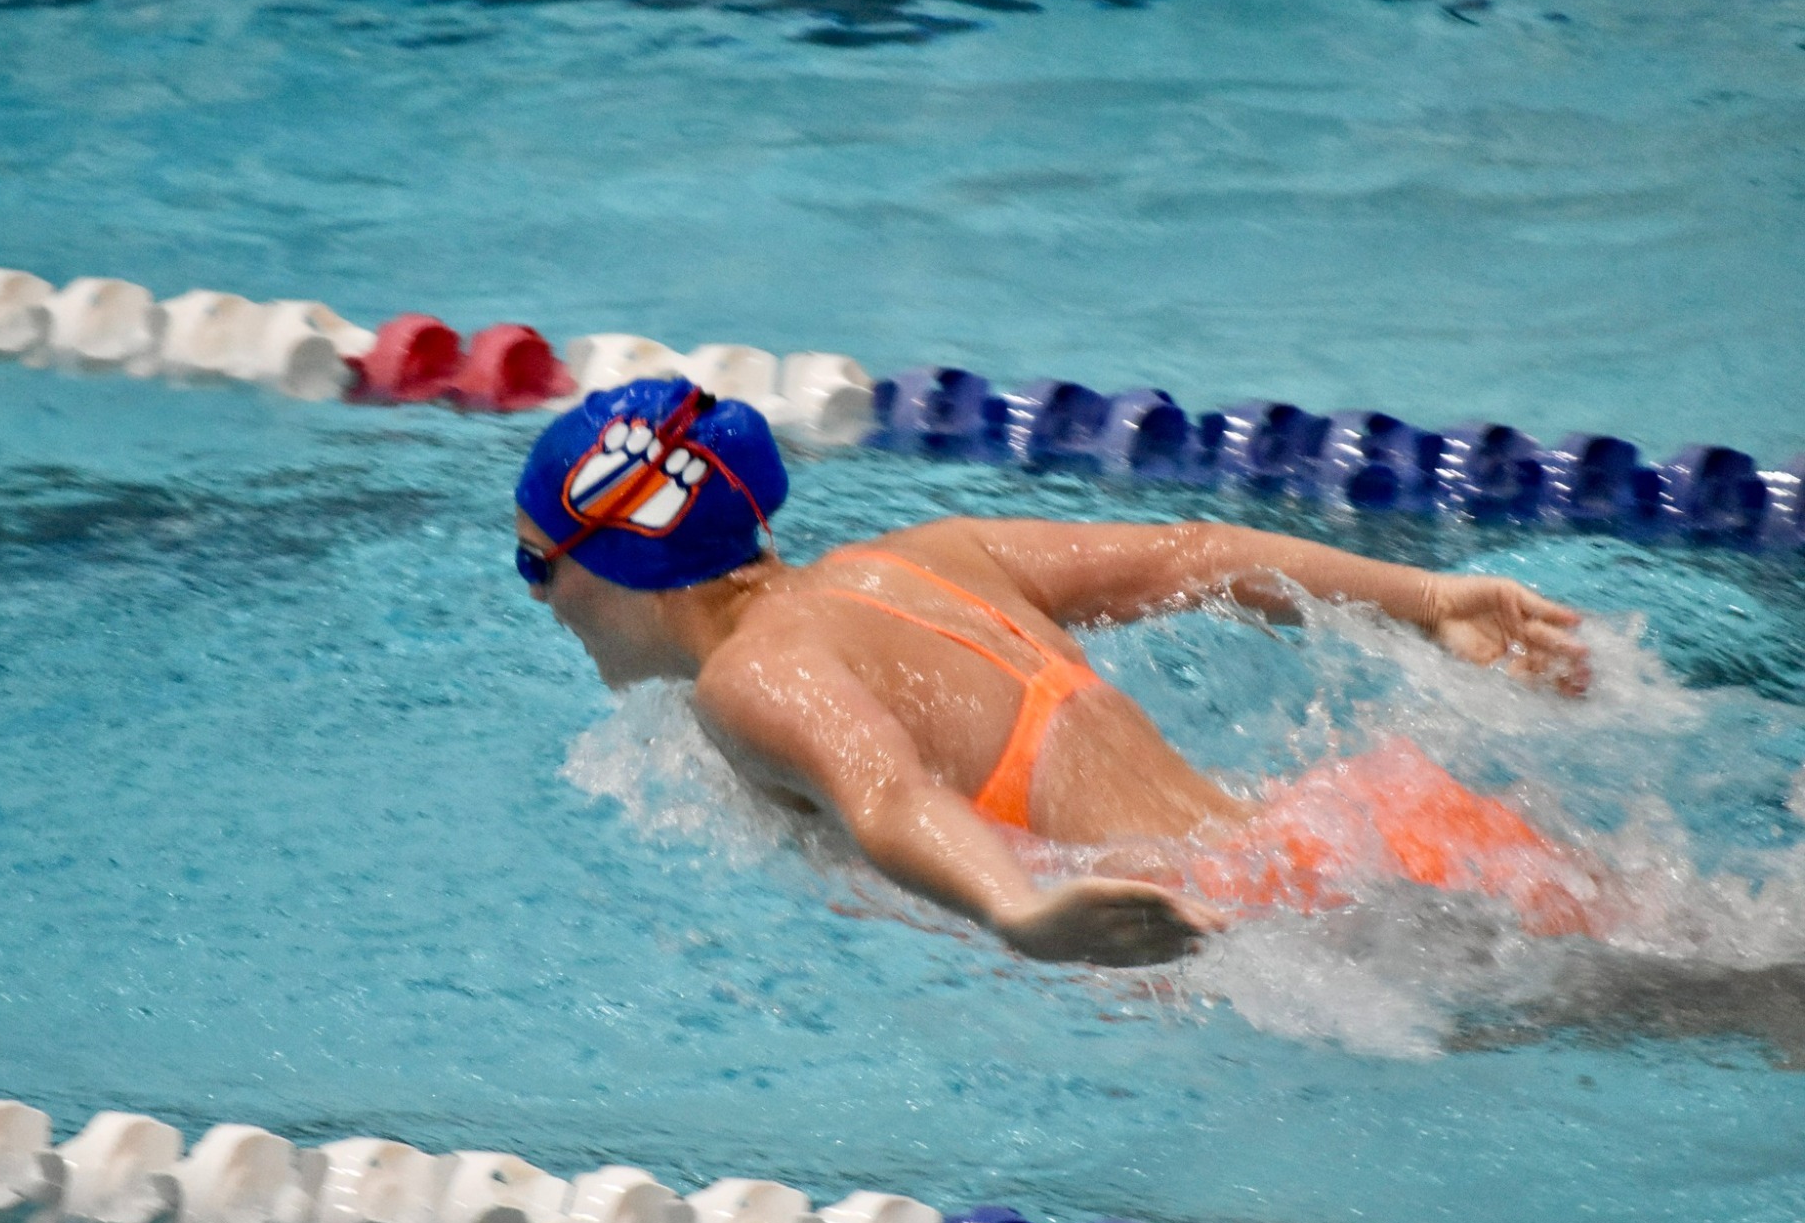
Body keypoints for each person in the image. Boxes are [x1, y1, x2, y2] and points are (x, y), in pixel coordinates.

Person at [515, 378, 1603, 967]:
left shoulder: (749, 678)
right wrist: (1426, 600)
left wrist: (1015, 911)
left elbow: (889, 794)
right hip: (1366, 820)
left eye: (538, 561)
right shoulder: (923, 555)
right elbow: (1194, 555)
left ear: (626, 565)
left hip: (1273, 922)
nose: (535, 595)